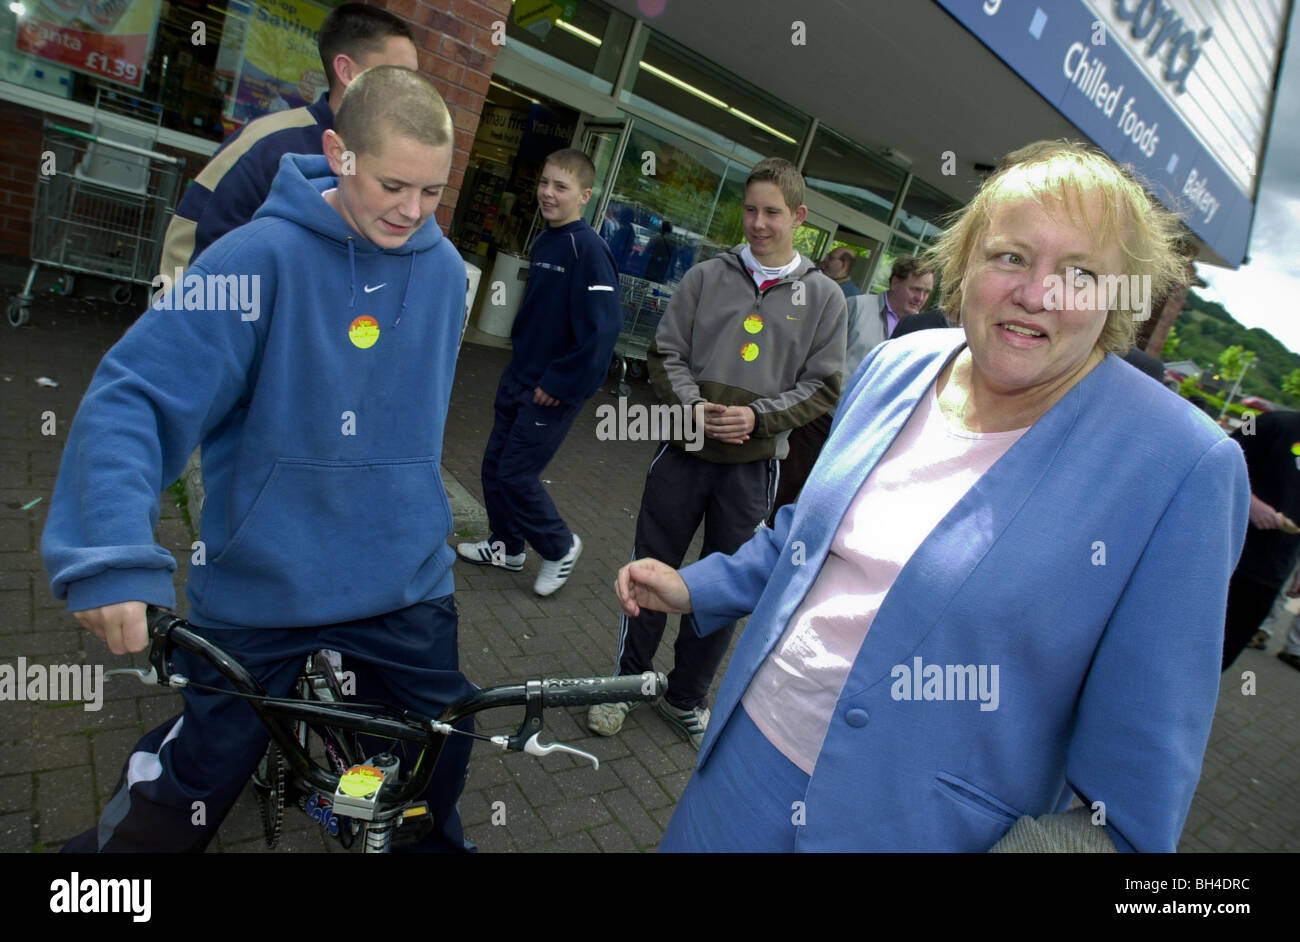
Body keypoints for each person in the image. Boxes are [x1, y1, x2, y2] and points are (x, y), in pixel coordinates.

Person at [614, 140, 1249, 852]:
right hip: (740, 766)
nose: (1036, 294)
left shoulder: (1181, 465)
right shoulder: (898, 363)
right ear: (967, 261)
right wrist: (695, 585)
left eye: (1079, 272)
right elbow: (811, 537)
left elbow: (1128, 816)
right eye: (1011, 256)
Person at [42, 68, 476, 852]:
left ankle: (358, 815)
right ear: (339, 152)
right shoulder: (254, 259)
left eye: (434, 193)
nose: (413, 213)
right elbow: (136, 395)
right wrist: (108, 555)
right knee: (201, 780)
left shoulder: (443, 274)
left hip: (401, 580)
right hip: (262, 581)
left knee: (431, 762)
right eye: (393, 185)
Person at [589, 157, 846, 748]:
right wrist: (690, 408)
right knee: (654, 565)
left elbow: (823, 385)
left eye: (772, 213)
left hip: (753, 469)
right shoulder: (707, 276)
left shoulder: (825, 298)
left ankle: (686, 697)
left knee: (724, 585)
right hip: (681, 454)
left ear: (799, 217)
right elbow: (665, 353)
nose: (758, 223)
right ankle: (626, 685)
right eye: (751, 210)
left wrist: (759, 416)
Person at [456, 149, 621, 597]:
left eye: (561, 187)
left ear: (585, 195)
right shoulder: (546, 238)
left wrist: (560, 383)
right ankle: (507, 548)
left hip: (551, 390)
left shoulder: (586, 248)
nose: (548, 193)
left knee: (516, 475)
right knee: (494, 467)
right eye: (545, 182)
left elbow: (603, 332)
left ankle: (559, 545)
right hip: (520, 376)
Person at [156, 3, 419, 277]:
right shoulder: (269, 144)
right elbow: (190, 244)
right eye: (399, 76)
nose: (413, 92)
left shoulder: (396, 161)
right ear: (347, 72)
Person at [1221, 409, 1300, 670]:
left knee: (1221, 658)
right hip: (1226, 558)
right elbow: (1221, 461)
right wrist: (1251, 503)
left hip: (1269, 576)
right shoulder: (1275, 424)